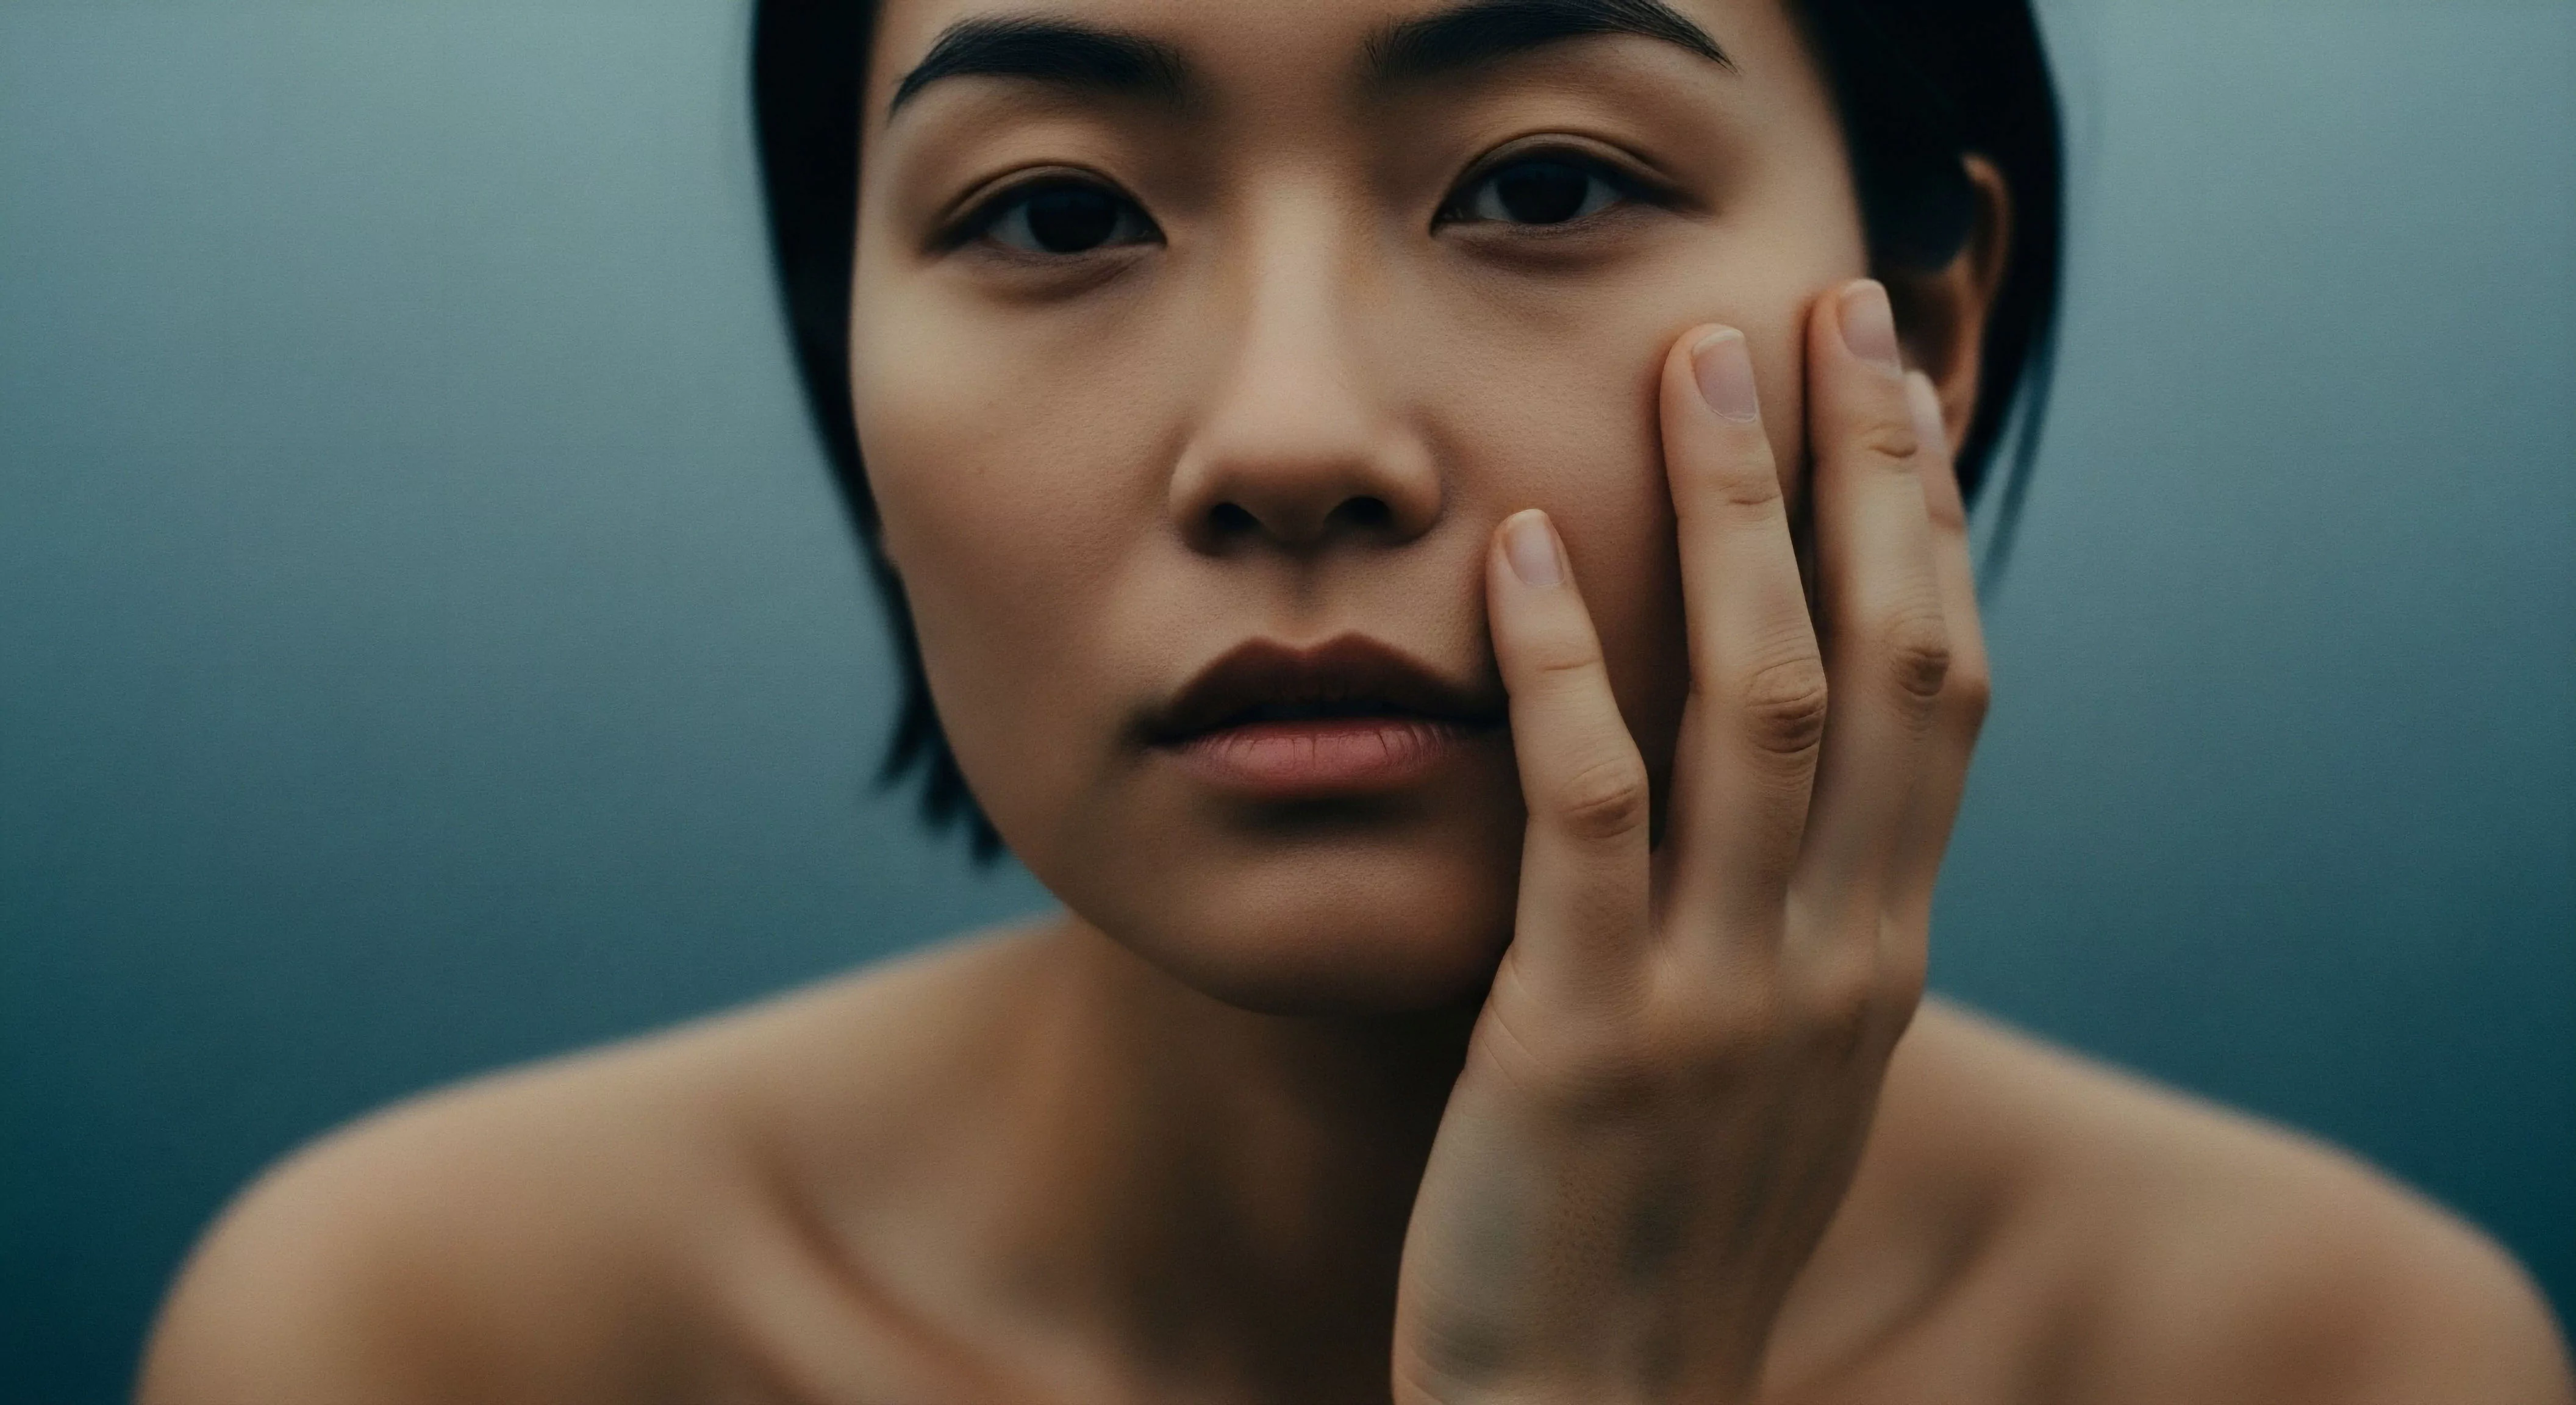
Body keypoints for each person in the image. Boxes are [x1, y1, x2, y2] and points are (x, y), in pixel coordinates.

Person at [137, 0, 2573, 1400]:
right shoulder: (428, 1338)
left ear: (1914, 341)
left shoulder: (2327, 1361)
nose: (1291, 432)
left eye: (1538, 185)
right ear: (844, 375)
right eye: (1060, 215)